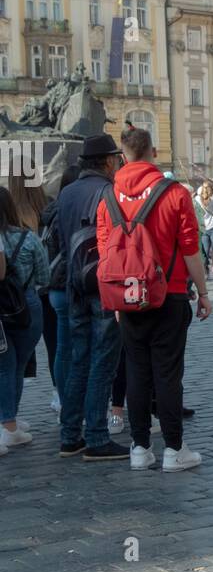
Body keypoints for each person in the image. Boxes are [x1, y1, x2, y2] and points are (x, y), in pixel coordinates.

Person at [96, 126, 210, 472]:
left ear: (122, 156)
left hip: (127, 297)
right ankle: (174, 449)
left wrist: (116, 300)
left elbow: (105, 253)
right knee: (168, 373)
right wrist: (203, 293)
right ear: (153, 152)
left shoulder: (109, 196)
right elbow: (191, 249)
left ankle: (140, 447)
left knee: (136, 371)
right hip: (170, 293)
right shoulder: (174, 193)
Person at [56, 134, 126, 460]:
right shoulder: (107, 191)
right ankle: (97, 437)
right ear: (109, 161)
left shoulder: (66, 192)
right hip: (101, 284)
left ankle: (70, 435)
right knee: (103, 362)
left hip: (73, 284)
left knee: (78, 360)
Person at [0, 186, 48, 452]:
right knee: (15, 365)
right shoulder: (27, 238)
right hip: (25, 306)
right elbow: (44, 276)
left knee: (7, 365)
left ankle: (9, 421)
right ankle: (8, 424)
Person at [42, 162, 80, 414]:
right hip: (74, 284)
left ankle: (63, 400)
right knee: (82, 347)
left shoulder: (50, 210)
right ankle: (76, 407)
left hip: (53, 287)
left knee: (62, 347)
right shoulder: (75, 210)